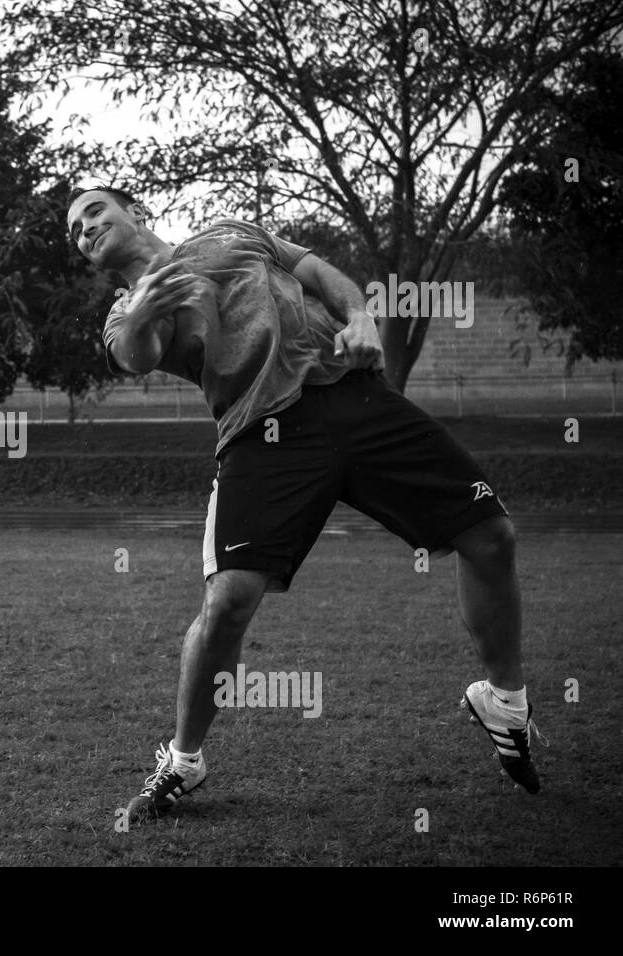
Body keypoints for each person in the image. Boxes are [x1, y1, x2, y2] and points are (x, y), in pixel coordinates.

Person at [64, 185, 543, 824]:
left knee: (492, 535)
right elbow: (136, 355)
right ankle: (183, 760)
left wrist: (361, 316)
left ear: (135, 212)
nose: (85, 228)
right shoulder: (126, 310)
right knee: (228, 601)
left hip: (352, 396)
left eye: (94, 211)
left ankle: (504, 702)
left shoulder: (230, 231)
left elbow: (313, 269)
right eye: (74, 231)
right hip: (263, 433)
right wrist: (146, 307)